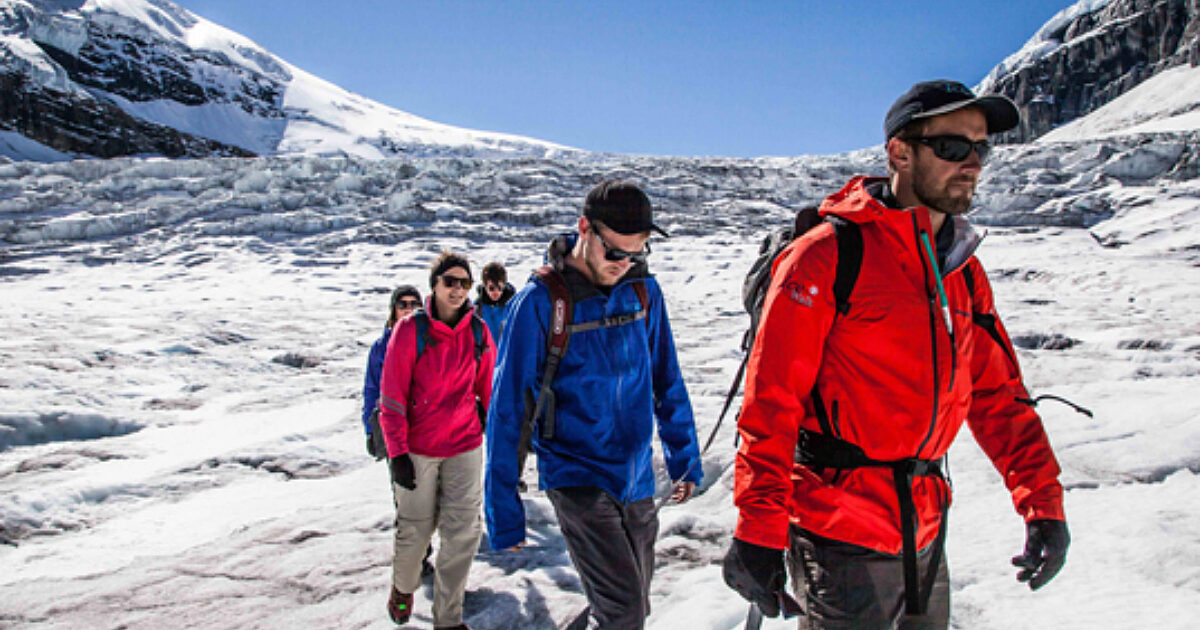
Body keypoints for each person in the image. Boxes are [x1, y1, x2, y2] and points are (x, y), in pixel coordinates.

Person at [722, 80, 1070, 630]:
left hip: (926, 530)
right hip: (838, 535)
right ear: (899, 152)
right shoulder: (827, 255)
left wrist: (1041, 503)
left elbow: (997, 396)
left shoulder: (961, 267)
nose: (972, 163)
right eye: (953, 147)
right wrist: (759, 531)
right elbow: (771, 404)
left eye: (982, 148)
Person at [484, 179, 703, 630]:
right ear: (584, 228)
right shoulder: (540, 304)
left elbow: (668, 380)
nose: (624, 264)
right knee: (623, 612)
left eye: (636, 254)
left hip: (636, 475)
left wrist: (685, 459)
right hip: (576, 473)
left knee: (631, 606)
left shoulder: (644, 294)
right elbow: (509, 410)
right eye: (615, 252)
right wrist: (503, 508)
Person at [378, 252, 495, 630]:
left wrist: (499, 432)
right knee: (415, 530)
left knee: (463, 532)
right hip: (418, 450)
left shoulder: (478, 332)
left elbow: (488, 389)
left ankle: (448, 619)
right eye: (450, 282)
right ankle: (403, 586)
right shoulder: (410, 330)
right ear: (435, 285)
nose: (457, 289)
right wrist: (397, 453)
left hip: (464, 446)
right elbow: (392, 398)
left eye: (464, 283)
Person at [362, 285, 422, 459]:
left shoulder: (431, 341)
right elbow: (371, 389)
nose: (408, 309)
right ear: (393, 310)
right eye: (402, 305)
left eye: (414, 304)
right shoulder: (381, 348)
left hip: (426, 423)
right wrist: (370, 429)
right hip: (393, 423)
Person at [475, 262, 515, 342]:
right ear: (485, 286)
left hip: (506, 352)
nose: (496, 292)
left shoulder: (513, 307)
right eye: (492, 288)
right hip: (486, 352)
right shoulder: (478, 309)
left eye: (500, 288)